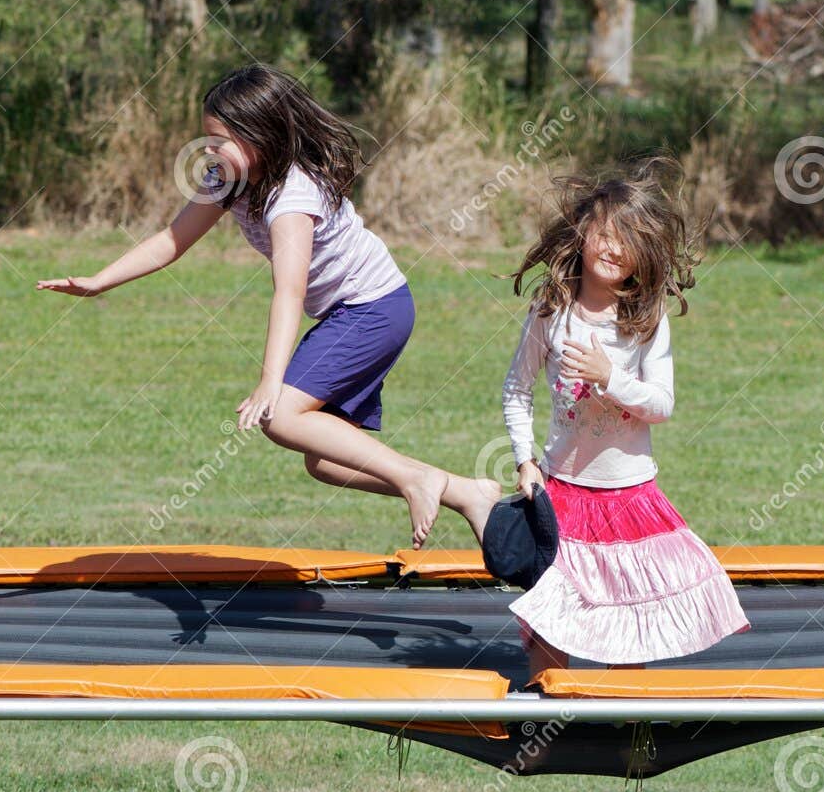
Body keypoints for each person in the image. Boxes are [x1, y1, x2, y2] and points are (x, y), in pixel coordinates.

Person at [37, 63, 499, 547]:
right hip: (357, 312)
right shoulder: (227, 179)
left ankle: (417, 479)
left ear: (261, 136)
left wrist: (268, 383)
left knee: (279, 417)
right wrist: (100, 281)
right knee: (325, 461)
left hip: (373, 309)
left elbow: (289, 293)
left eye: (218, 140)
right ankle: (468, 493)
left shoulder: (292, 198)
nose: (208, 150)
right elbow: (172, 239)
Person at [501, 159, 748, 674]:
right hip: (562, 493)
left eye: (629, 240)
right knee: (552, 625)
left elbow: (661, 405)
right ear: (583, 232)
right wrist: (525, 462)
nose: (614, 248)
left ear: (646, 254)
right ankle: (544, 736)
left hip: (629, 497)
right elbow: (517, 391)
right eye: (606, 234)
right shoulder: (551, 313)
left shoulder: (646, 321)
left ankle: (629, 740)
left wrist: (609, 376)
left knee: (628, 630)